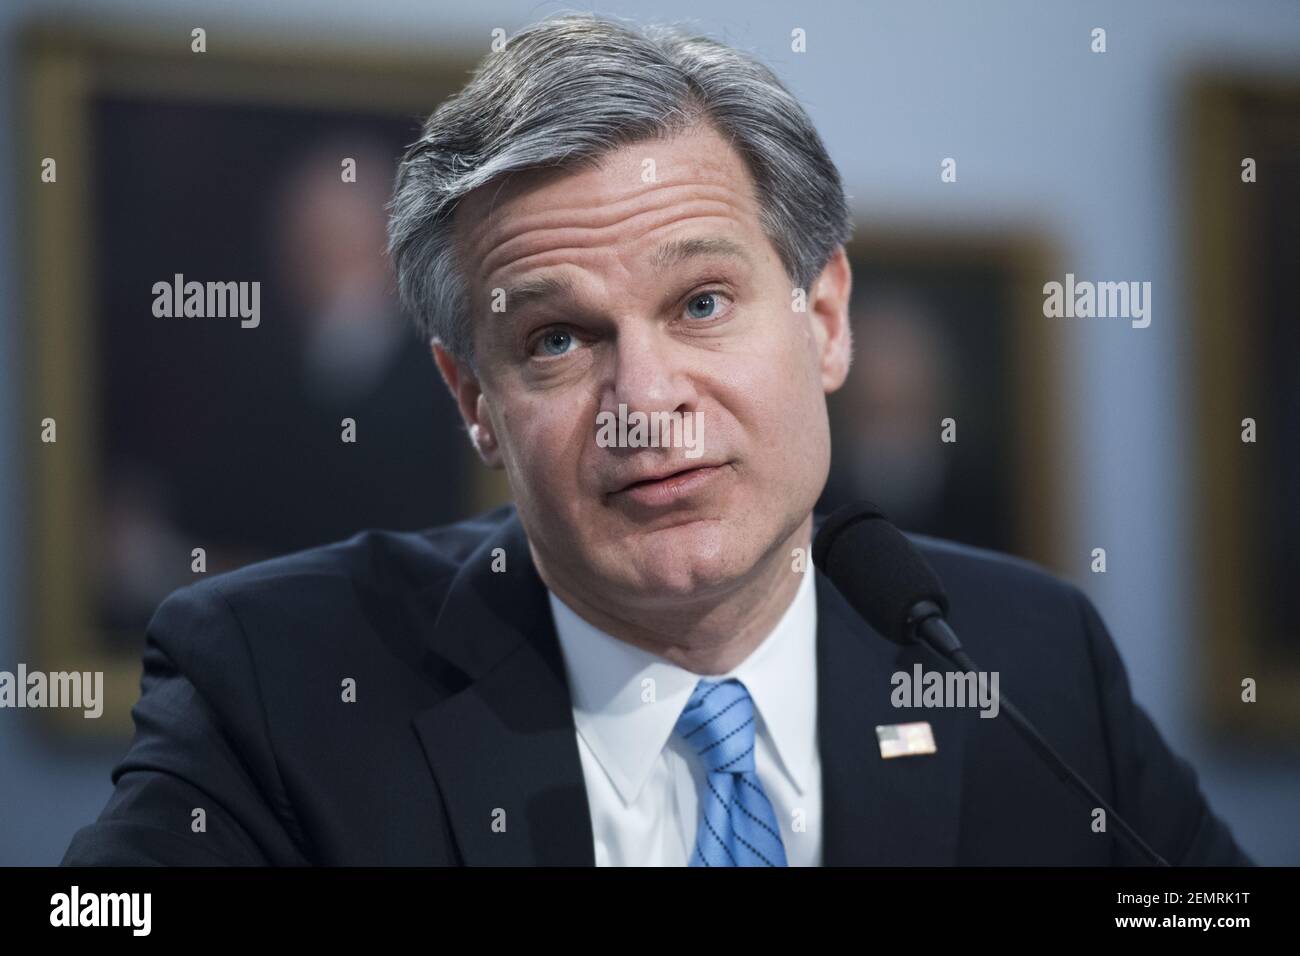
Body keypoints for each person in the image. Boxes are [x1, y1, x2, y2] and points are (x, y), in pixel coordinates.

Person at [63, 12, 1250, 867]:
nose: (644, 401)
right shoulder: (278, 679)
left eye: (699, 305)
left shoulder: (1029, 661)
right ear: (473, 398)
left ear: (823, 318)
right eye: (558, 340)